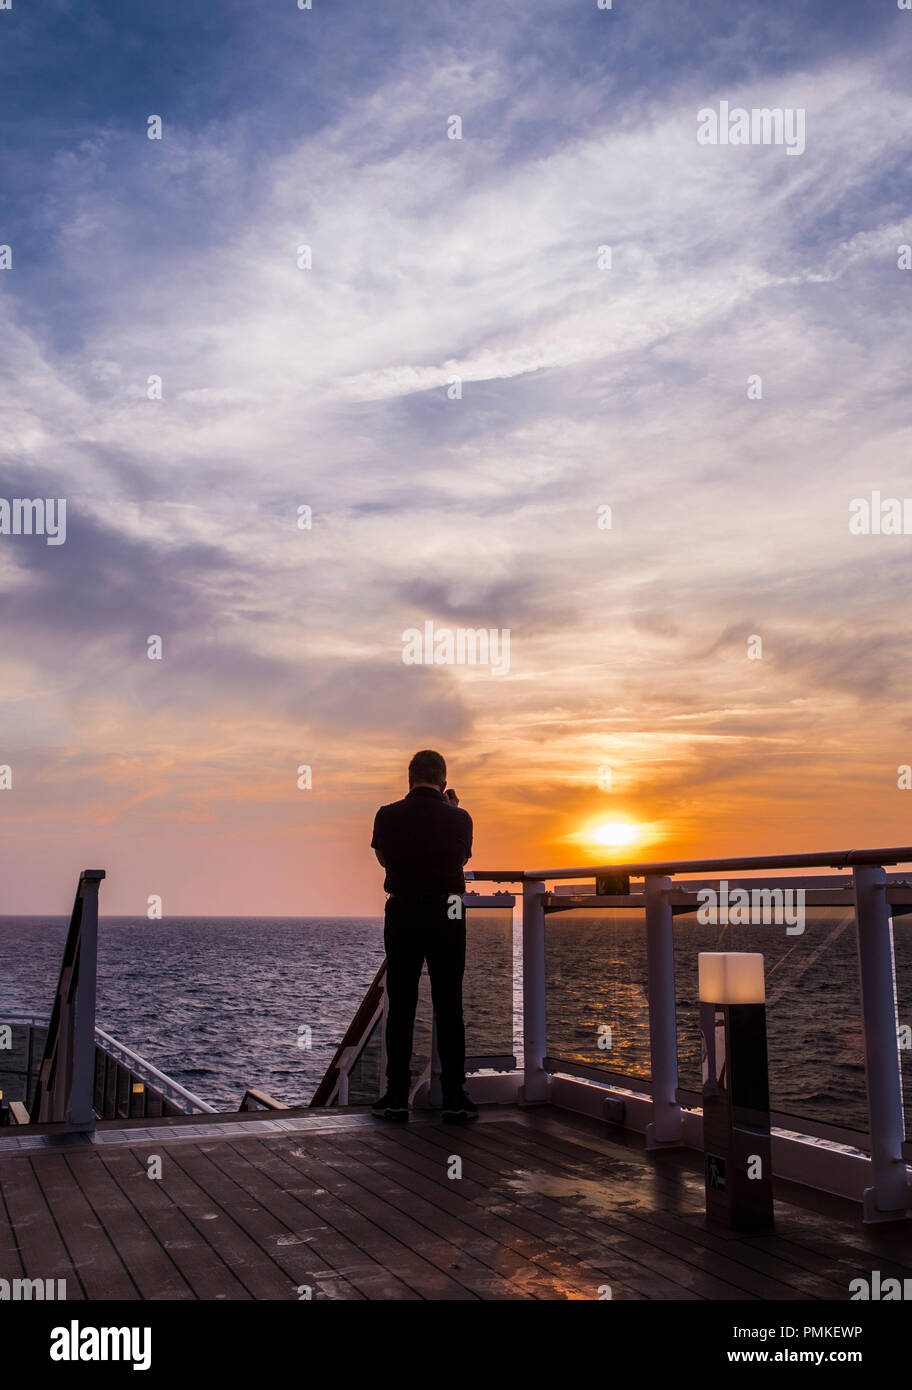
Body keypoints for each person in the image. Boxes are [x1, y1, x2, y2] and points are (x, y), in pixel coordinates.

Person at [370, 749, 478, 1123]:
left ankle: (397, 1095)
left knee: (401, 1003)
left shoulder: (387, 815)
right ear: (443, 782)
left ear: (409, 778)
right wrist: (452, 809)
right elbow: (460, 862)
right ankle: (453, 1095)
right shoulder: (460, 818)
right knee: (450, 1004)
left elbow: (385, 860)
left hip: (402, 908)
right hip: (448, 909)